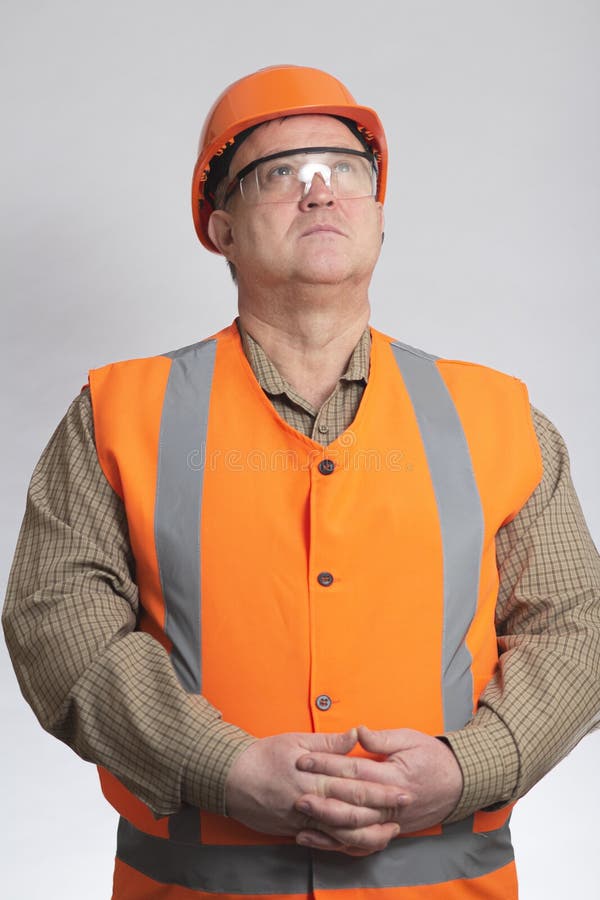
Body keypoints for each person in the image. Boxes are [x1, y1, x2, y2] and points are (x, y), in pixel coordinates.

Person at [3, 64, 600, 899]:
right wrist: (224, 767)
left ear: (380, 220)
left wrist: (469, 767)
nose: (320, 193)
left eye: (345, 170)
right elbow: (55, 623)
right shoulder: (114, 416)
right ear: (222, 228)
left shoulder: (500, 418)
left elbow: (578, 627)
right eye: (282, 173)